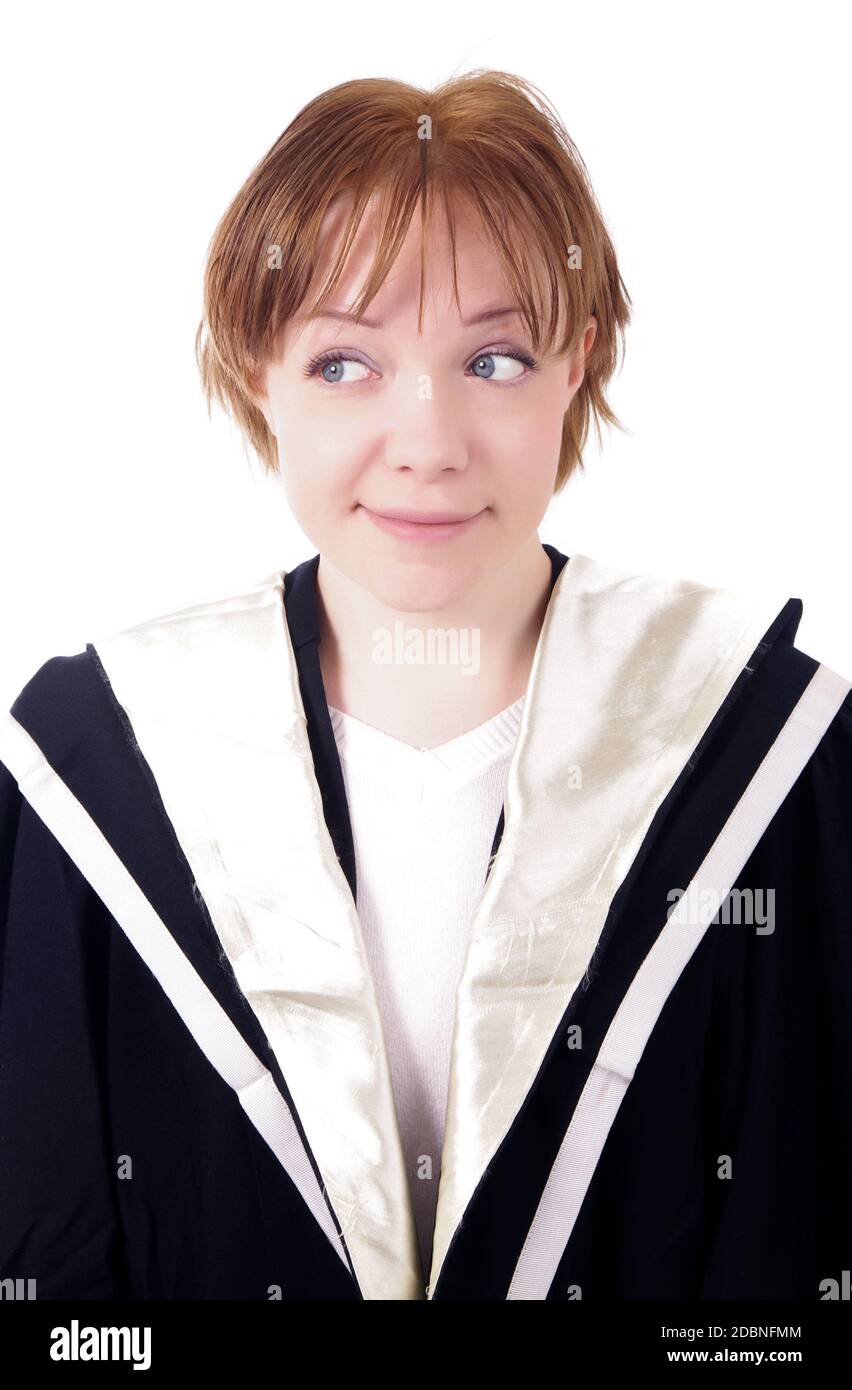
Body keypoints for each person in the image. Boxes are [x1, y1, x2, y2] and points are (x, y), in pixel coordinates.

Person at [1, 70, 850, 1303]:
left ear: (579, 364)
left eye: (494, 359)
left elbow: (800, 1256)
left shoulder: (766, 751)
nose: (430, 440)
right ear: (256, 371)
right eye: (345, 363)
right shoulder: (96, 768)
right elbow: (53, 1276)